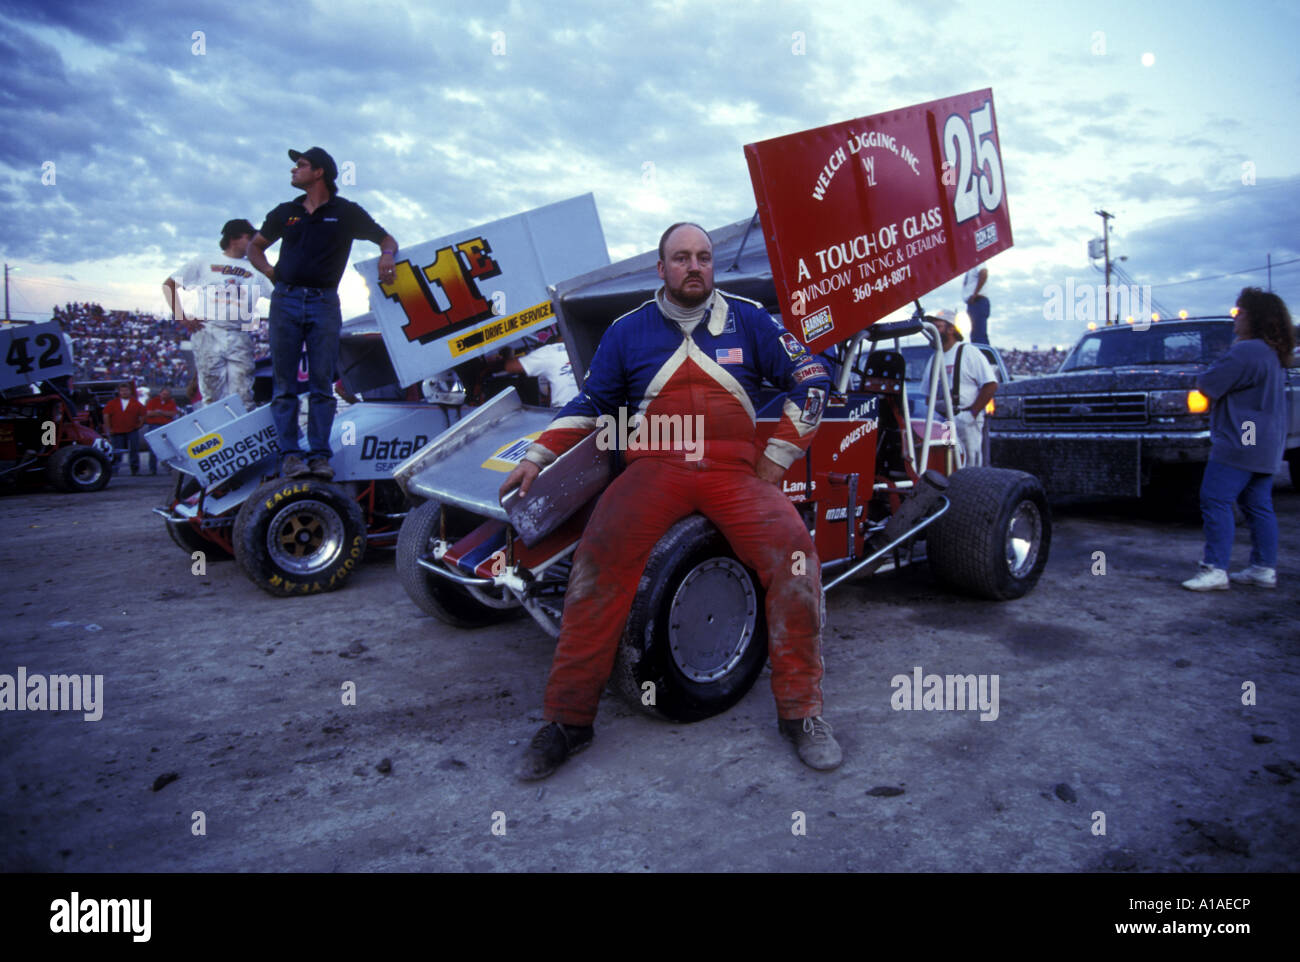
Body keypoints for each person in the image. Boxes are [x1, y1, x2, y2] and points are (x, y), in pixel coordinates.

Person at [499, 222, 840, 780]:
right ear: (661, 269)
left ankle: (802, 712)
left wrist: (779, 454)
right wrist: (539, 455)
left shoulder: (751, 320)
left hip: (735, 469)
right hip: (653, 467)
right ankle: (568, 721)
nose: (694, 266)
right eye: (681, 258)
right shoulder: (627, 330)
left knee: (798, 561)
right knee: (595, 567)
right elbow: (592, 402)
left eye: (703, 257)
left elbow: (811, 375)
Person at [246, 146, 398, 481]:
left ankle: (318, 456)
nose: (292, 170)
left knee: (321, 384)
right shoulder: (285, 212)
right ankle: (290, 456)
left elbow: (385, 237)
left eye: (300, 165)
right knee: (284, 383)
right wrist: (270, 272)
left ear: (319, 172)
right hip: (285, 300)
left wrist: (387, 254)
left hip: (324, 301)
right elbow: (254, 246)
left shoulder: (346, 212)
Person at [1181, 288, 1294, 591]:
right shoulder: (1271, 353)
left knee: (1215, 498)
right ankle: (1263, 567)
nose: (1235, 316)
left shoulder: (1246, 350)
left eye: (1239, 311)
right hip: (1266, 442)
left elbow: (1208, 383)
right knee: (1257, 503)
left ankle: (1215, 568)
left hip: (1242, 438)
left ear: (1252, 316)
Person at [162, 219, 272, 408]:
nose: (254, 241)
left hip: (239, 332)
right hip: (208, 329)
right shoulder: (204, 260)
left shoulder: (256, 267)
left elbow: (279, 293)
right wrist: (181, 316)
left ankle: (240, 433)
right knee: (212, 393)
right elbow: (169, 285)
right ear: (234, 238)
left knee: (243, 392)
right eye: (249, 237)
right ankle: (217, 434)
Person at [921, 309, 997, 467]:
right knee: (948, 462)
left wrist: (972, 413)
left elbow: (990, 385)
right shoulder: (934, 358)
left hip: (965, 418)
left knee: (970, 463)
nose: (934, 331)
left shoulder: (968, 352)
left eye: (938, 326)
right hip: (944, 422)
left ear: (951, 329)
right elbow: (928, 396)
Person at [485, 327, 579, 407]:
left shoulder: (550, 351)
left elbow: (510, 367)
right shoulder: (586, 345)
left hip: (567, 410)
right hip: (590, 406)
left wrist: (507, 355)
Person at [103, 383, 145, 475]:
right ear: (119, 392)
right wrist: (109, 428)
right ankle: (114, 470)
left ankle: (135, 470)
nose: (124, 392)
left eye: (126, 390)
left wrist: (140, 425)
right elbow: (106, 416)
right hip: (116, 431)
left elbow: (143, 415)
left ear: (130, 391)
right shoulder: (112, 403)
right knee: (117, 452)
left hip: (132, 430)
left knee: (134, 450)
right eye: (122, 391)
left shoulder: (136, 403)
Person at [143, 386, 181, 474]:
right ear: (160, 393)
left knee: (169, 448)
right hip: (154, 426)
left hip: (166, 427)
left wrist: (160, 412)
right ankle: (152, 469)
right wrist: (164, 413)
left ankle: (170, 469)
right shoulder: (152, 401)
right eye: (164, 394)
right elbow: (148, 413)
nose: (165, 396)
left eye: (167, 394)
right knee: (153, 448)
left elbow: (173, 414)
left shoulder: (171, 402)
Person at [962, 264, 990, 345]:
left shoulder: (977, 262)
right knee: (975, 335)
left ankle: (983, 356)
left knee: (979, 336)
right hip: (973, 303)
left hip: (978, 301)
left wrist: (975, 294)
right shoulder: (970, 267)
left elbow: (983, 273)